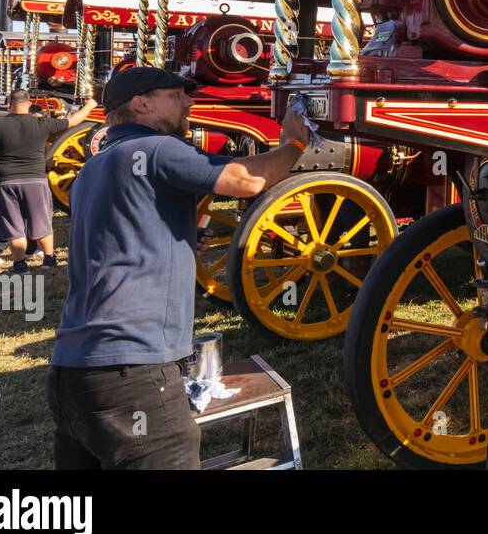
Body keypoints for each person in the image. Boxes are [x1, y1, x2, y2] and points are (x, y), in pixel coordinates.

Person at [47, 67, 310, 469]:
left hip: (73, 372)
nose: (189, 103)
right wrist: (294, 141)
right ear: (141, 104)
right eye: (176, 95)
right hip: (132, 373)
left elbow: (119, 235)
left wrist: (180, 238)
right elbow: (246, 179)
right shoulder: (155, 148)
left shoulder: (93, 169)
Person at [0, 90, 95, 271]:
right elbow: (72, 121)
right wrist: (89, 106)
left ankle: (19, 264)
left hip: (6, 181)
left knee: (13, 225)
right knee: (42, 222)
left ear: (9, 105)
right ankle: (48, 260)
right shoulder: (41, 123)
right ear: (29, 103)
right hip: (35, 181)